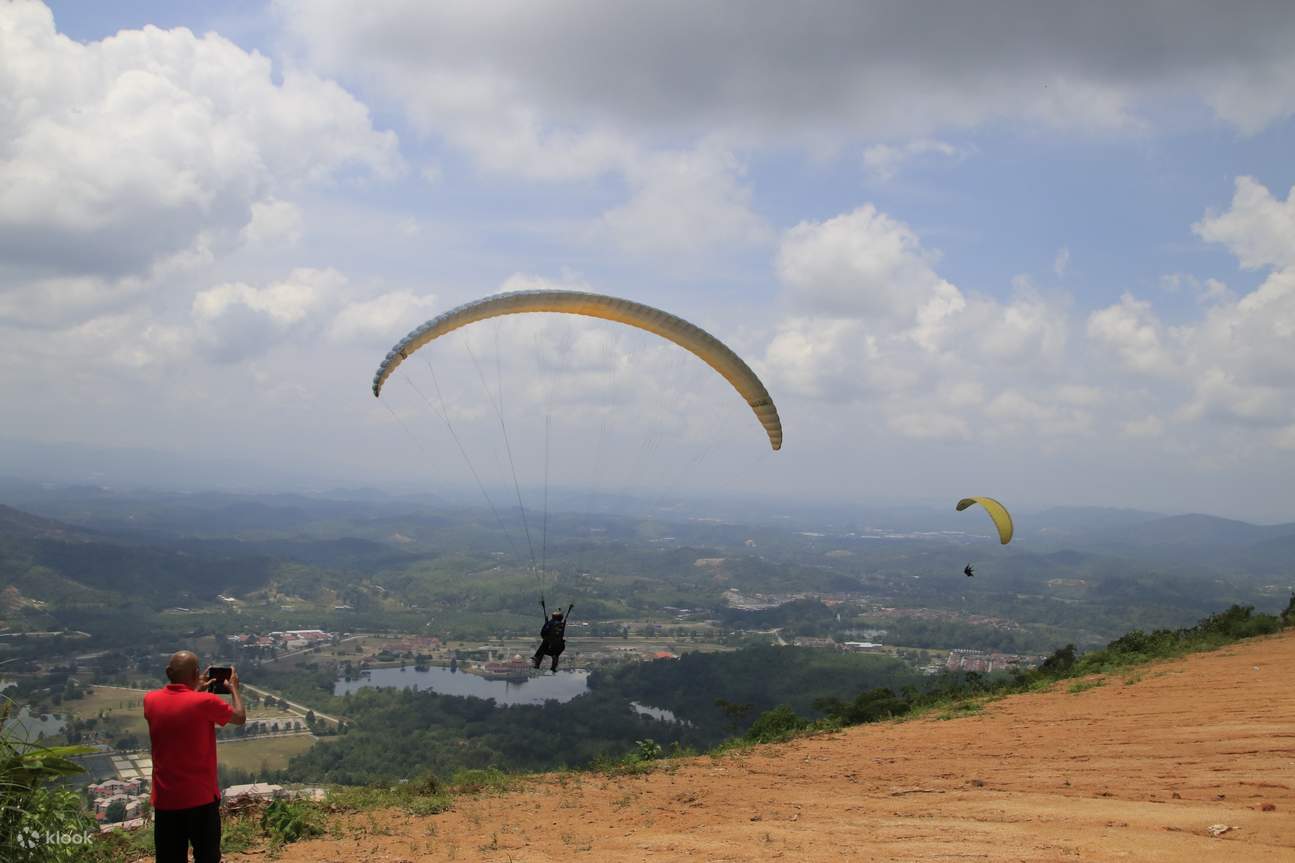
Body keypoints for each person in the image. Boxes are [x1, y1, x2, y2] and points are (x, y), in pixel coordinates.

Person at [144, 651, 246, 863]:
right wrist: (234, 688)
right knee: (207, 857)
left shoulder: (150, 701)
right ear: (196, 673)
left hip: (166, 799)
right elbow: (239, 717)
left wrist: (193, 689)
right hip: (201, 797)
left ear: (168, 672)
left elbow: (178, 708)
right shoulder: (205, 702)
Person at [532, 602, 571, 671]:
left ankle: (537, 661)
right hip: (560, 647)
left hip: (549, 646)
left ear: (553, 617)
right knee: (555, 654)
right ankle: (553, 667)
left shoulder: (550, 623)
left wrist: (546, 624)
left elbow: (543, 633)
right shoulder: (561, 624)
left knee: (544, 646)